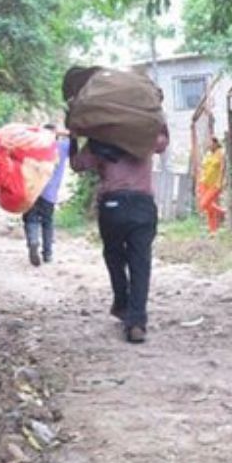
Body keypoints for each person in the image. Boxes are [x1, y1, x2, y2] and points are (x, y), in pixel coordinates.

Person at [64, 66, 169, 344]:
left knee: (114, 257)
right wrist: (158, 116)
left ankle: (121, 304)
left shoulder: (99, 145)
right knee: (140, 263)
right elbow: (163, 142)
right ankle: (136, 322)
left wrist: (73, 139)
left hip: (111, 207)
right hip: (143, 206)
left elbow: (76, 165)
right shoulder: (146, 141)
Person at [23, 125, 70, 266]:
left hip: (31, 190)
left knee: (30, 218)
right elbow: (75, 136)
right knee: (47, 221)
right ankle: (48, 254)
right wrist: (63, 132)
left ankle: (33, 241)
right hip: (50, 193)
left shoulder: (32, 147)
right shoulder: (62, 147)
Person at [196, 137, 226, 235]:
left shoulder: (221, 153)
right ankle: (213, 231)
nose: (209, 146)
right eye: (208, 144)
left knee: (203, 204)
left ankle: (221, 211)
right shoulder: (208, 154)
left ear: (216, 143)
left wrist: (220, 182)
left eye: (210, 143)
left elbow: (222, 169)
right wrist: (199, 181)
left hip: (214, 184)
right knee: (209, 210)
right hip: (204, 183)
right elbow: (202, 168)